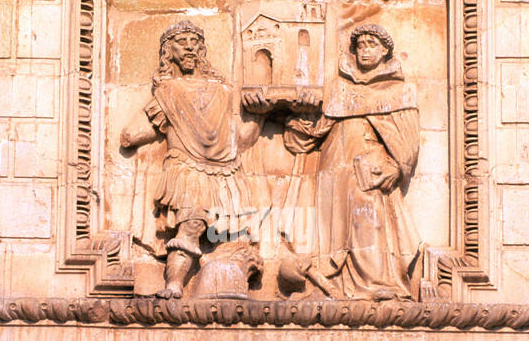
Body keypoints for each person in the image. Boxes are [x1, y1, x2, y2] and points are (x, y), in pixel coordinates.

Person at [282, 23, 421, 300]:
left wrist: (397, 166)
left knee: (367, 222)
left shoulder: (398, 91)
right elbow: (319, 129)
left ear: (384, 51)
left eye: (372, 45)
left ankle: (378, 283)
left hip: (368, 171)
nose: (365, 51)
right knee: (331, 225)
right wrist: (291, 119)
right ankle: (335, 286)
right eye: (360, 46)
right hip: (333, 169)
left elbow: (407, 140)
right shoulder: (339, 90)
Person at [120, 21, 258, 298]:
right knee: (190, 229)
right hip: (190, 172)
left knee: (232, 240)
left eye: (194, 42)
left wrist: (262, 111)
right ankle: (174, 284)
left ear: (202, 49)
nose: (189, 47)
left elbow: (242, 139)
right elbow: (131, 135)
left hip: (226, 173)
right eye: (181, 42)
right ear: (167, 51)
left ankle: (220, 284)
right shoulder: (169, 91)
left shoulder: (222, 91)